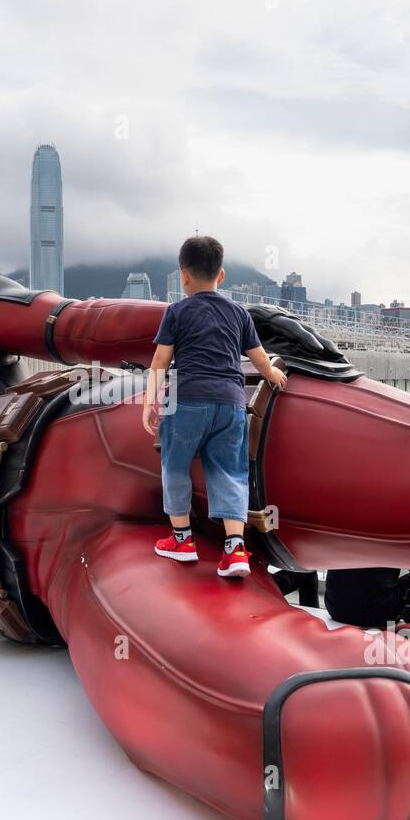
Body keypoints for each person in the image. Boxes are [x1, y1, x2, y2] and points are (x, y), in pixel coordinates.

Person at [143, 235, 287, 579]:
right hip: (231, 405)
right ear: (221, 275)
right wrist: (274, 375)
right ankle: (235, 550)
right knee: (231, 472)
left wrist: (149, 402)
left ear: (183, 276)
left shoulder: (176, 312)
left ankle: (182, 541)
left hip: (187, 401)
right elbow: (260, 359)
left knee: (174, 465)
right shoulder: (238, 313)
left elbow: (160, 361)